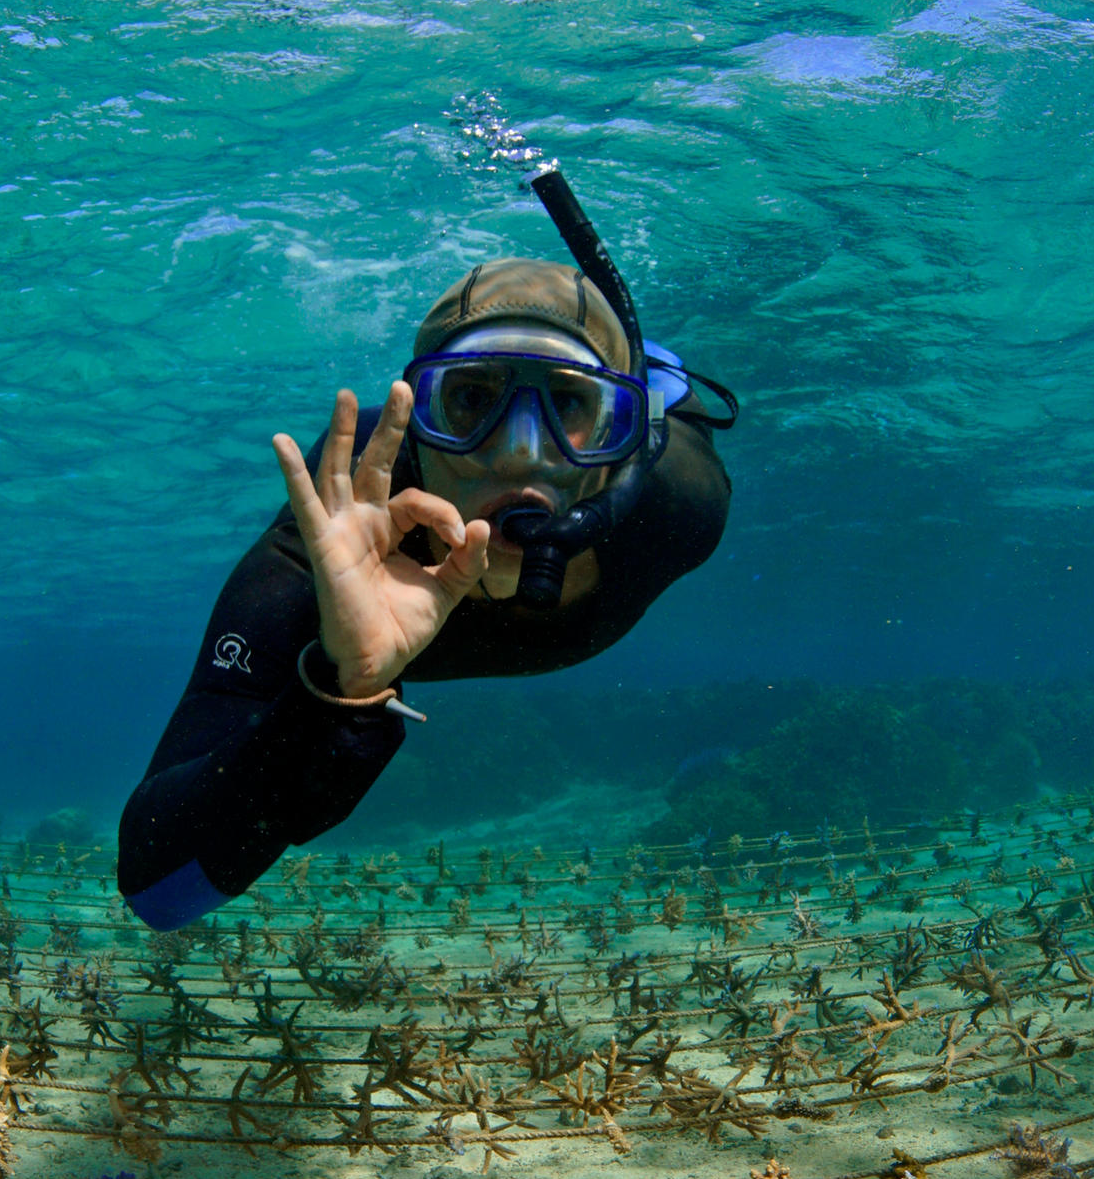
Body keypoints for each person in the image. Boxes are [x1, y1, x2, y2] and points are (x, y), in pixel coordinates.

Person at [116, 173, 735, 929]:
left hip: (652, 401)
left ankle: (639, 370)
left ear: (617, 443)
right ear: (420, 429)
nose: (519, 451)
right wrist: (336, 693)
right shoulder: (338, 537)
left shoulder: (677, 504)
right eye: (471, 400)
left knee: (656, 382)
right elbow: (156, 892)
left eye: (570, 403)